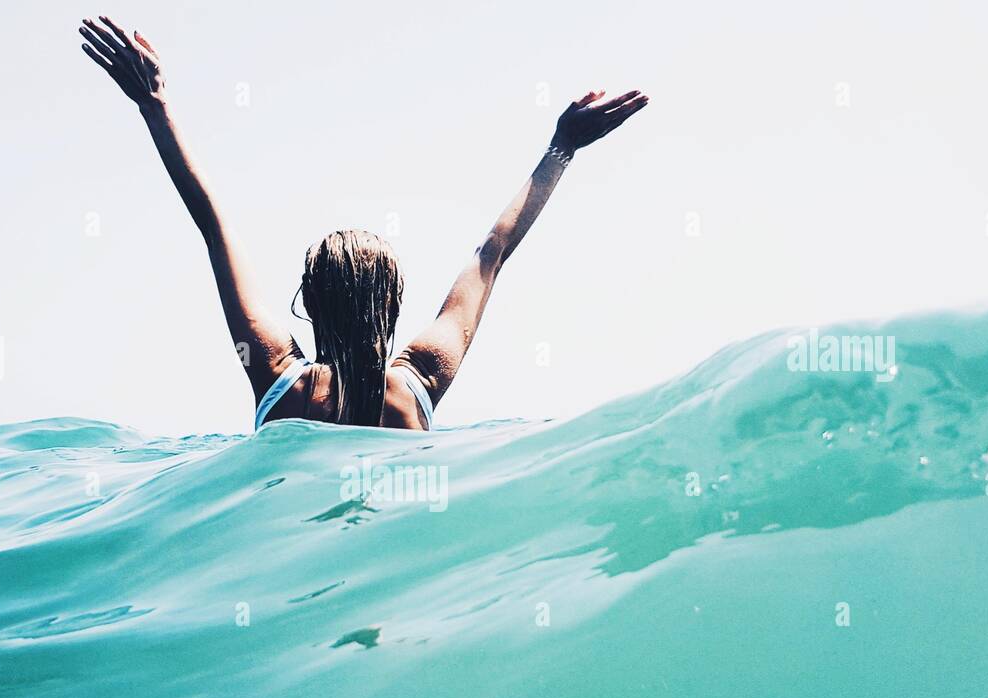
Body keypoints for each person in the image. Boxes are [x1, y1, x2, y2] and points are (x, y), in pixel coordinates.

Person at [79, 16, 649, 431]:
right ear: (396, 302)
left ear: (307, 301)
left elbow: (214, 226)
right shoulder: (418, 383)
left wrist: (154, 105)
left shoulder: (280, 381)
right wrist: (562, 148)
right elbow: (491, 254)